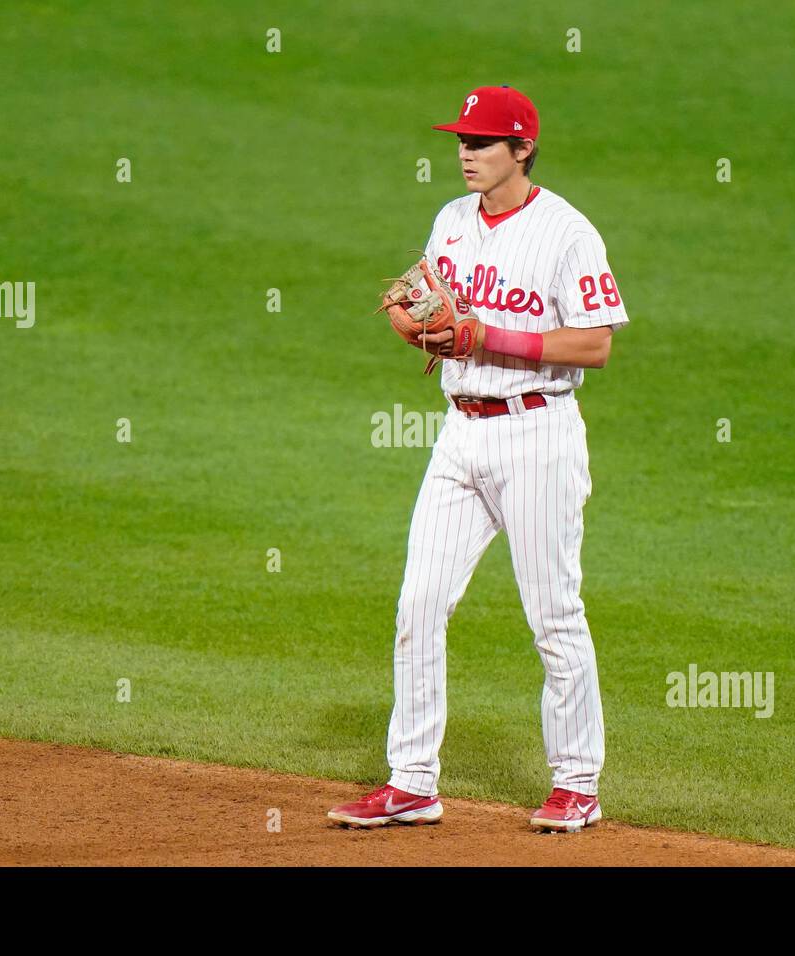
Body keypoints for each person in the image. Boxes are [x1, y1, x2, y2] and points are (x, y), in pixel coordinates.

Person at [329, 85, 629, 832]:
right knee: (419, 604)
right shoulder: (452, 221)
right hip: (460, 435)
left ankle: (577, 783)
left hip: (537, 435)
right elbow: (424, 294)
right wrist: (407, 315)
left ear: (521, 149)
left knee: (553, 615)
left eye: (482, 143)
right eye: (461, 141)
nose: (465, 154)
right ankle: (412, 781)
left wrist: (486, 337)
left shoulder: (566, 232)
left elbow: (595, 344)